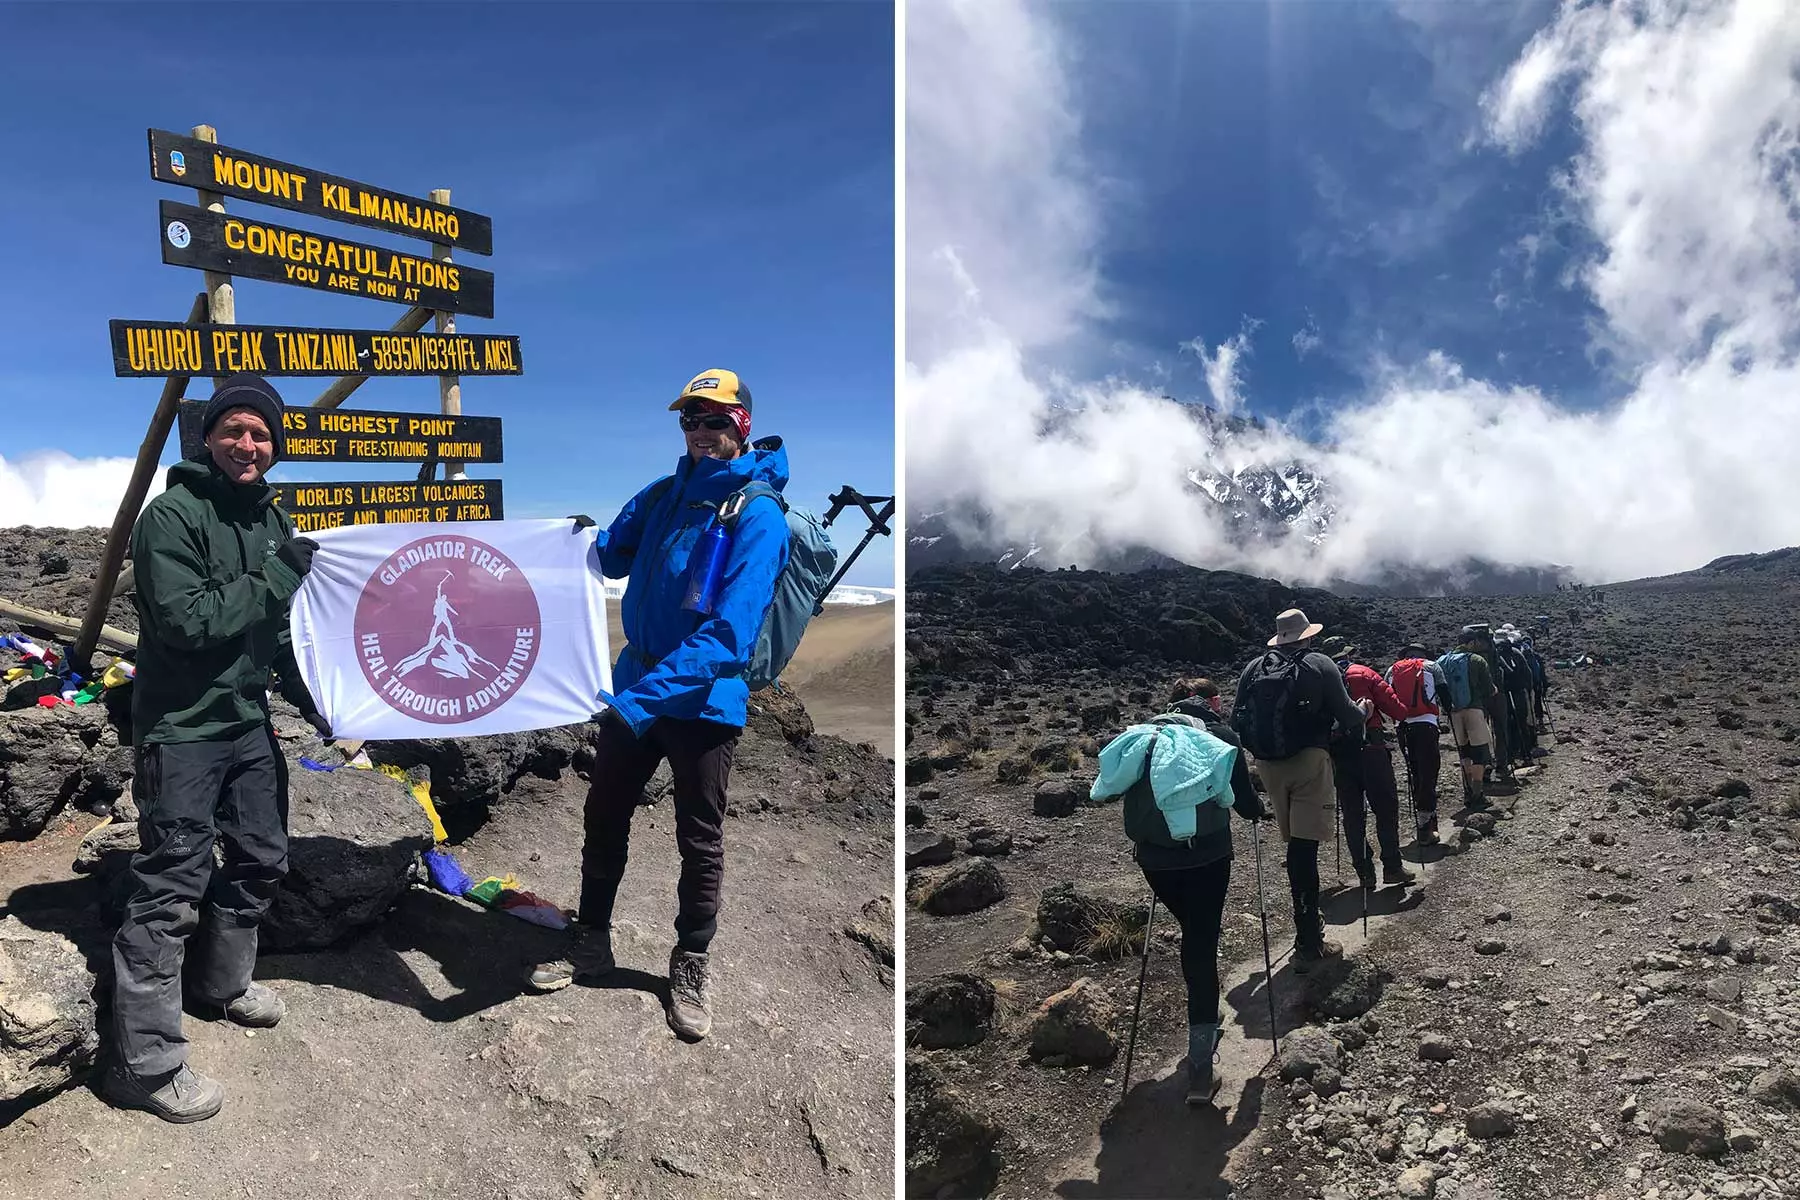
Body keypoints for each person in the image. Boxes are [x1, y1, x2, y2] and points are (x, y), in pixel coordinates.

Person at [527, 369, 789, 1043]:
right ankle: (590, 940)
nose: (700, 432)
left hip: (702, 702)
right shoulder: (663, 495)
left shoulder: (758, 516)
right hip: (639, 690)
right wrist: (578, 536)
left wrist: (639, 701)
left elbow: (729, 635)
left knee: (699, 838)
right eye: (690, 421)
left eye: (714, 420)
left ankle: (690, 964)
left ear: (742, 427)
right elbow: (610, 561)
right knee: (604, 813)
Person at [105, 374, 328, 1123]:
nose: (247, 444)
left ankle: (220, 985)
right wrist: (277, 575)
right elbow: (189, 621)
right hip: (182, 728)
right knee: (171, 886)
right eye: (234, 430)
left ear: (275, 447)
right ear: (206, 438)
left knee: (263, 854)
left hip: (245, 720)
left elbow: (278, 629)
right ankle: (144, 1064)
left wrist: (330, 693)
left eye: (261, 434)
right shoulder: (171, 515)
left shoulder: (271, 519)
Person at [1114, 678, 1265, 1105]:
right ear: (1211, 703)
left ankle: (1205, 1009)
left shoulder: (1145, 737)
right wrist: (1259, 812)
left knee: (1192, 934)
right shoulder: (1221, 736)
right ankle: (1201, 1066)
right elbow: (1243, 801)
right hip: (1207, 858)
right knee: (1200, 945)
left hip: (1155, 861)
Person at [1232, 609, 1370, 973]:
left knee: (1295, 843)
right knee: (1305, 849)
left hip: (1267, 765)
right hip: (1310, 760)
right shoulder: (1320, 663)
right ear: (1307, 636)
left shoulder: (1253, 669)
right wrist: (1365, 709)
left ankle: (1307, 929)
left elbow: (1235, 721)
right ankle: (1309, 938)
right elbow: (1348, 714)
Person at [1319, 637, 1416, 889]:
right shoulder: (1363, 673)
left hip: (1339, 754)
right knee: (1385, 808)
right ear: (1348, 654)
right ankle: (1392, 867)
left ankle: (1364, 872)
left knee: (1352, 814)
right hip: (1371, 749)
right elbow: (1398, 710)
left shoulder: (1318, 679)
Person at [1385, 642, 1448, 845]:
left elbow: (1386, 695)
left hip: (1403, 726)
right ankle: (1425, 827)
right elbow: (1444, 692)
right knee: (1429, 773)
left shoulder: (1392, 669)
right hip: (1427, 725)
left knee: (1415, 773)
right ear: (1423, 653)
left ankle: (1427, 822)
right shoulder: (1432, 666)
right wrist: (1450, 710)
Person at [1439, 628, 1498, 808]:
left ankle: (1467, 791)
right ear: (1471, 642)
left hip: (1454, 712)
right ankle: (1477, 794)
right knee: (1479, 753)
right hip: (1474, 709)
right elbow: (1489, 689)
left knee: (1464, 753)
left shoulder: (1442, 661)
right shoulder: (1477, 660)